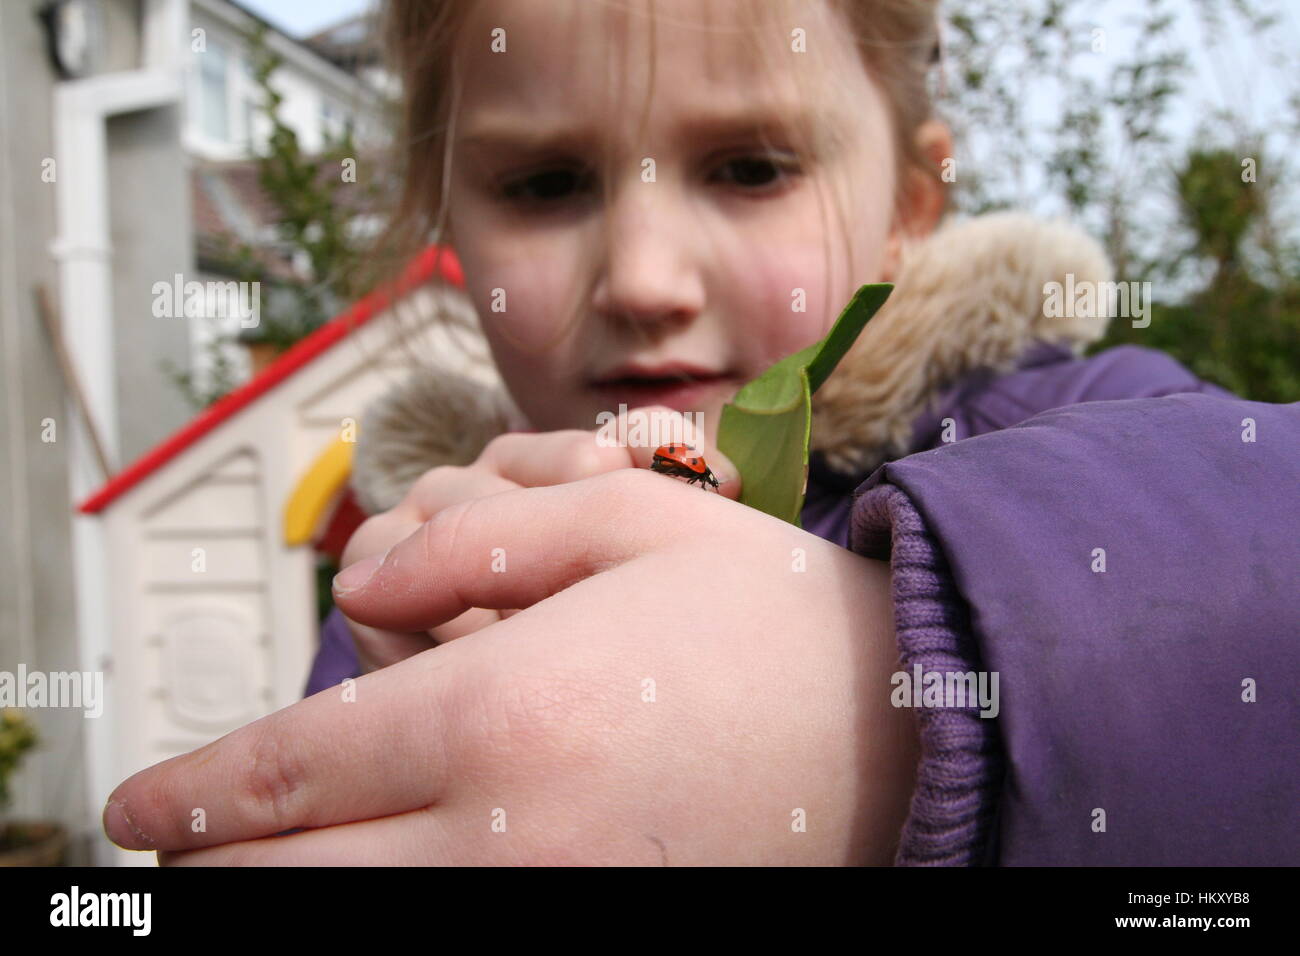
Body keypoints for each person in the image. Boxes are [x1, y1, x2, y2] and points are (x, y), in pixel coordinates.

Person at [101, 0, 1298, 866]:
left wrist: (890, 703)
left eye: (749, 165)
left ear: (905, 214)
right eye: (543, 183)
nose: (642, 276)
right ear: (444, 216)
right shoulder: (416, 568)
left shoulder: (1102, 418)